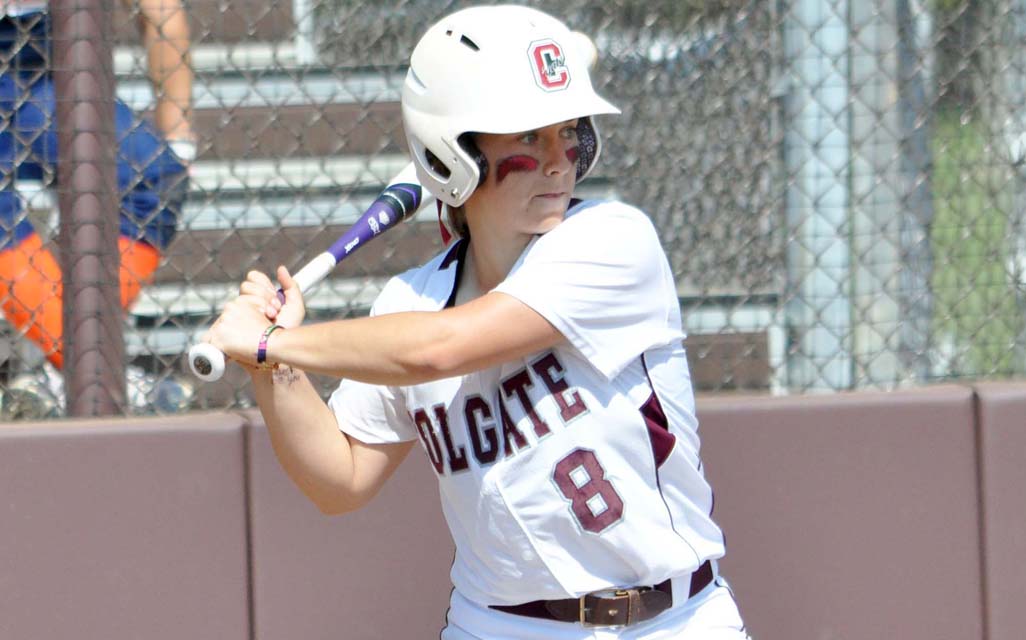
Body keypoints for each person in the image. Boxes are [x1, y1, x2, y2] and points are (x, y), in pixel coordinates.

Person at [205, 5, 749, 638]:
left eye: (568, 130)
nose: (559, 160)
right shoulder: (410, 303)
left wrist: (274, 339)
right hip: (498, 624)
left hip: (673, 619)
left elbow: (444, 348)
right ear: (453, 156)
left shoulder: (612, 240)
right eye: (527, 136)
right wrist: (277, 370)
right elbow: (341, 480)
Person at [0, 0, 193, 369]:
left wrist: (180, 140)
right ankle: (90, 370)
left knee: (154, 177)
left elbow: (160, 8)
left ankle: (78, 363)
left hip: (43, 53)